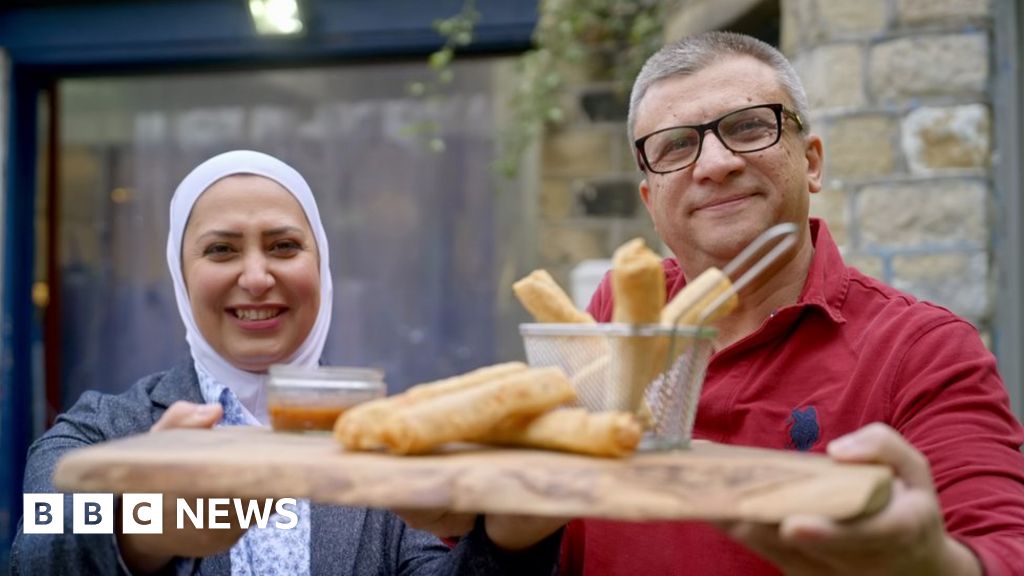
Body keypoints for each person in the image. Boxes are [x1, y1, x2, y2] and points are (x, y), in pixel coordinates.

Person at [561, 31, 1024, 576]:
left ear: (812, 163)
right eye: (676, 145)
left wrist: (931, 563)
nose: (714, 163)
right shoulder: (614, 317)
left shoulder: (921, 349)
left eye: (749, 126)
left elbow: (1004, 547)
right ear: (650, 201)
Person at [11, 150, 563, 575]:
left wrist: (510, 540)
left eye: (282, 246)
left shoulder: (382, 440)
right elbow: (37, 547)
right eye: (221, 249)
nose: (255, 277)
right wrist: (148, 523)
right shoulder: (102, 429)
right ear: (180, 277)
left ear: (320, 267)